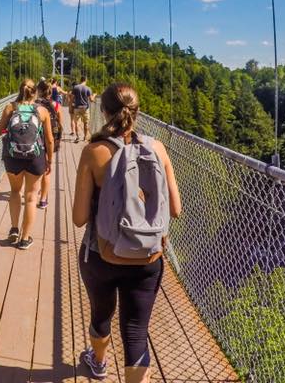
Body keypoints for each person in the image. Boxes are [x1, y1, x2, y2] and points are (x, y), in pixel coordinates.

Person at [72, 83, 183, 382]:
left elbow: (79, 218)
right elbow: (176, 209)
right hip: (148, 257)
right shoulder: (157, 148)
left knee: (101, 315)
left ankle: (98, 362)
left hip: (102, 255)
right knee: (136, 331)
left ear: (103, 111)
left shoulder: (94, 151)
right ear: (137, 111)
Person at [0, 79, 54, 249]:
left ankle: (14, 228)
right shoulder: (43, 111)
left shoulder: (11, 108)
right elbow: (50, 140)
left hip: (12, 156)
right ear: (35, 92)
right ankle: (25, 238)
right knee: (31, 198)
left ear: (20, 90)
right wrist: (49, 161)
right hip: (35, 158)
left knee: (15, 191)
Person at [35, 79, 62, 209]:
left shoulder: (33, 105)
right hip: (49, 142)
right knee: (47, 169)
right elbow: (60, 124)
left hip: (35, 141)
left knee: (34, 169)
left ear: (38, 91)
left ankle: (32, 192)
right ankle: (43, 200)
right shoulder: (56, 105)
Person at [71, 75, 94, 142]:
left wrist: (72, 105)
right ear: (85, 80)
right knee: (86, 123)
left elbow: (72, 98)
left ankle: (77, 137)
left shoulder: (75, 88)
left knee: (77, 123)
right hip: (85, 108)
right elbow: (91, 100)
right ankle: (85, 138)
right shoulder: (88, 88)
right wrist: (94, 95)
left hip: (77, 107)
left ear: (80, 80)